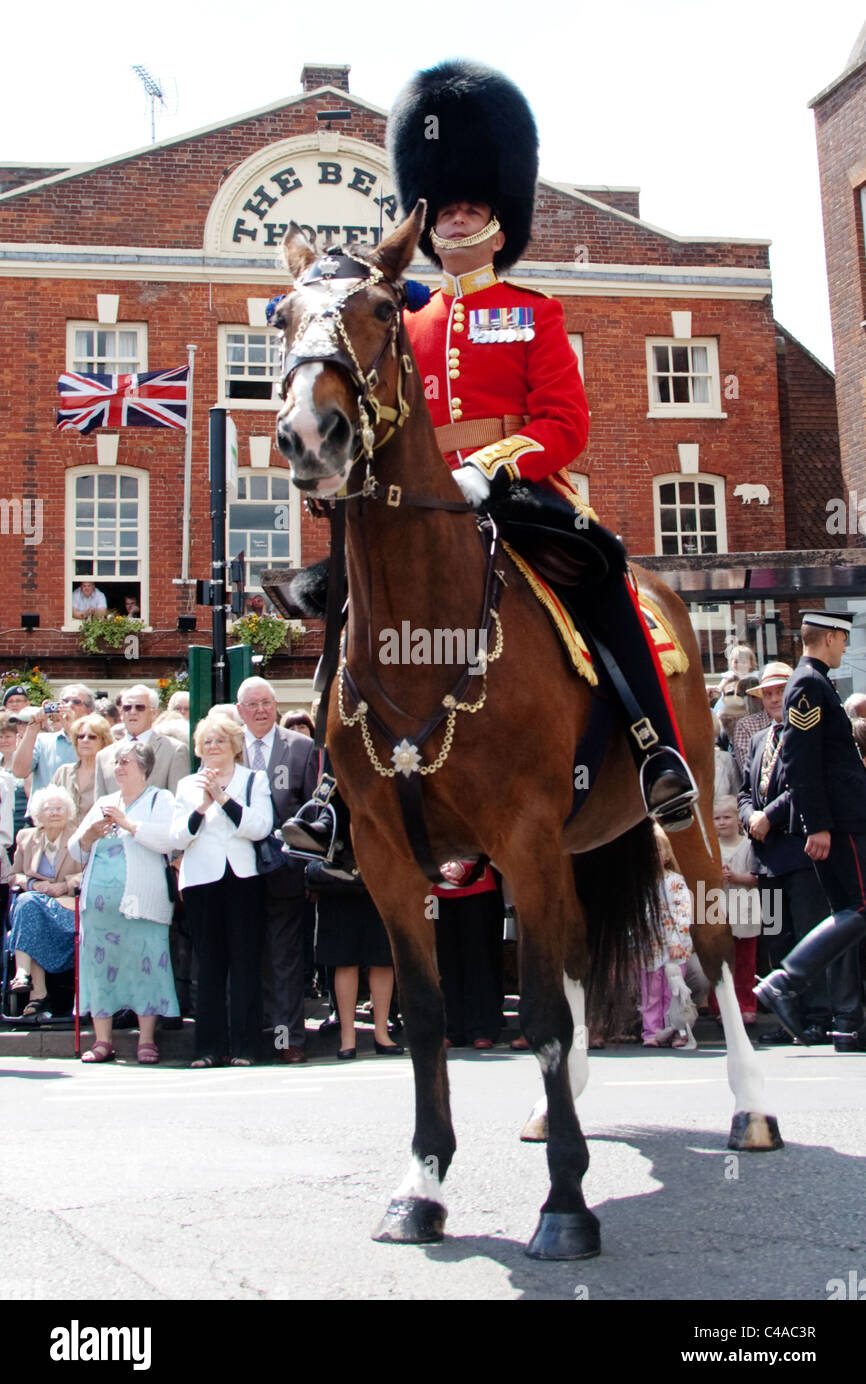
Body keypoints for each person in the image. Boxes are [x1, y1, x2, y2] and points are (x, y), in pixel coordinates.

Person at [287, 59, 697, 856]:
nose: (457, 213)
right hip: (422, 506)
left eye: (475, 201)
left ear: (501, 219)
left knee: (604, 579)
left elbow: (566, 422)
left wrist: (493, 465)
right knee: (348, 603)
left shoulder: (533, 313)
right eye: (444, 203)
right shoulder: (402, 324)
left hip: (521, 496)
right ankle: (336, 795)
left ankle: (655, 750)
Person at [754, 612, 866, 1051]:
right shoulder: (808, 684)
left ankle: (848, 1024)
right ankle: (786, 981)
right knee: (858, 910)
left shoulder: (816, 683)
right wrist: (816, 824)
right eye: (843, 639)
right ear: (831, 636)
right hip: (840, 823)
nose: (844, 647)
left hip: (838, 820)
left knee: (846, 917)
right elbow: (800, 761)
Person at [738, 661, 835, 1045]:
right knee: (778, 939)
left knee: (807, 937)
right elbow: (746, 790)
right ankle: (789, 1017)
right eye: (768, 694)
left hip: (798, 852)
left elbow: (805, 784)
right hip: (766, 858)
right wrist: (749, 818)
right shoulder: (760, 739)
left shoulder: (806, 731)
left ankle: (818, 1015)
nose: (774, 699)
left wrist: (768, 816)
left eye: (780, 691)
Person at [172, 712, 273, 1068]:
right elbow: (178, 837)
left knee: (245, 963)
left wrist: (224, 799)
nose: (213, 747)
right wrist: (202, 805)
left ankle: (246, 1047)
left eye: (220, 740)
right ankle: (208, 1048)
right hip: (201, 881)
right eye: (207, 742)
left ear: (234, 746)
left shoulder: (253, 780)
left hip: (243, 879)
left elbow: (261, 826)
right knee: (209, 966)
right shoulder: (186, 786)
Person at [69, 742, 178, 1063]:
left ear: (143, 767)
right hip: (100, 905)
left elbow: (167, 841)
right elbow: (76, 850)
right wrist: (89, 834)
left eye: (125, 762)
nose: (118, 768)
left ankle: (146, 1039)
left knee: (146, 965)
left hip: (143, 901)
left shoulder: (161, 799)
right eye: (116, 762)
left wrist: (128, 824)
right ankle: (102, 1040)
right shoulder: (104, 802)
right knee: (99, 967)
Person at [235, 677, 318, 1064]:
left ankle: (288, 1041)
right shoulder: (227, 745)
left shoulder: (300, 747)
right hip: (234, 869)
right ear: (240, 711)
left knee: (285, 958)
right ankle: (250, 1039)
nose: (261, 710)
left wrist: (304, 863)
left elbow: (313, 810)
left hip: (284, 869)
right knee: (246, 956)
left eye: (267, 702)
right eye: (252, 704)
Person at [307, 859, 404, 1060]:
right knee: (344, 958)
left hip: (381, 874)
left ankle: (382, 1033)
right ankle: (347, 1037)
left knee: (383, 957)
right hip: (338, 878)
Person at [7, 787, 81, 1019]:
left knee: (29, 908)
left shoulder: (79, 837)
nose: (55, 813)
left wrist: (64, 886)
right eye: (49, 809)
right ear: (39, 813)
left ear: (68, 812)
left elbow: (89, 873)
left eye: (60, 808)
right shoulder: (26, 837)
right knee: (28, 903)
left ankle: (31, 986)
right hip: (37, 906)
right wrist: (32, 884)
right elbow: (13, 876)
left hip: (68, 908)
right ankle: (32, 988)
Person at [433, 861, 504, 1049]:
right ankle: (452, 1028)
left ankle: (482, 1028)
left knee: (479, 957)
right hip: (433, 890)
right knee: (444, 959)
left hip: (476, 885)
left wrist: (466, 865)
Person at [639, 827, 695, 1047]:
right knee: (650, 993)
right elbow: (636, 917)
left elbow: (683, 913)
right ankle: (651, 1032)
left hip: (673, 948)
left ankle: (678, 1030)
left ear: (667, 855)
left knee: (674, 992)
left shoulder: (675, 882)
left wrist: (676, 942)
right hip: (649, 948)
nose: (653, 856)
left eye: (658, 851)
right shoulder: (641, 885)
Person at [713, 796, 761, 1022]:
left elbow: (757, 877)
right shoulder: (711, 847)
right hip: (719, 909)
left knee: (745, 962)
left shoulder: (749, 845)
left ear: (738, 820)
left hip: (745, 910)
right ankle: (724, 1008)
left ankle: (747, 1005)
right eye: (717, 818)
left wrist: (736, 877)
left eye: (727, 817)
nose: (722, 822)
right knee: (722, 961)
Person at [94, 684, 188, 796]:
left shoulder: (174, 750)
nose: (132, 712)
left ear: (154, 713)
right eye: (127, 708)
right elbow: (100, 806)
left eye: (140, 707)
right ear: (121, 713)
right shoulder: (103, 756)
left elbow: (178, 803)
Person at [11, 684, 94, 799]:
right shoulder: (43, 740)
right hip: (45, 812)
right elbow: (19, 772)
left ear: (89, 712)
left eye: (76, 702)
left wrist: (72, 731)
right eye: (64, 701)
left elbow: (91, 767)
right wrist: (32, 729)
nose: (69, 706)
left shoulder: (95, 740)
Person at [50, 713, 113, 826]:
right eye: (81, 736)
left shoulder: (111, 775)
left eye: (92, 737)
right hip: (65, 840)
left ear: (103, 741)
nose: (85, 740)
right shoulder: (63, 773)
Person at [0, 711, 30, 842]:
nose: (3, 741)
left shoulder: (26, 762)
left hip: (22, 828)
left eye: (7, 736)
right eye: (0, 737)